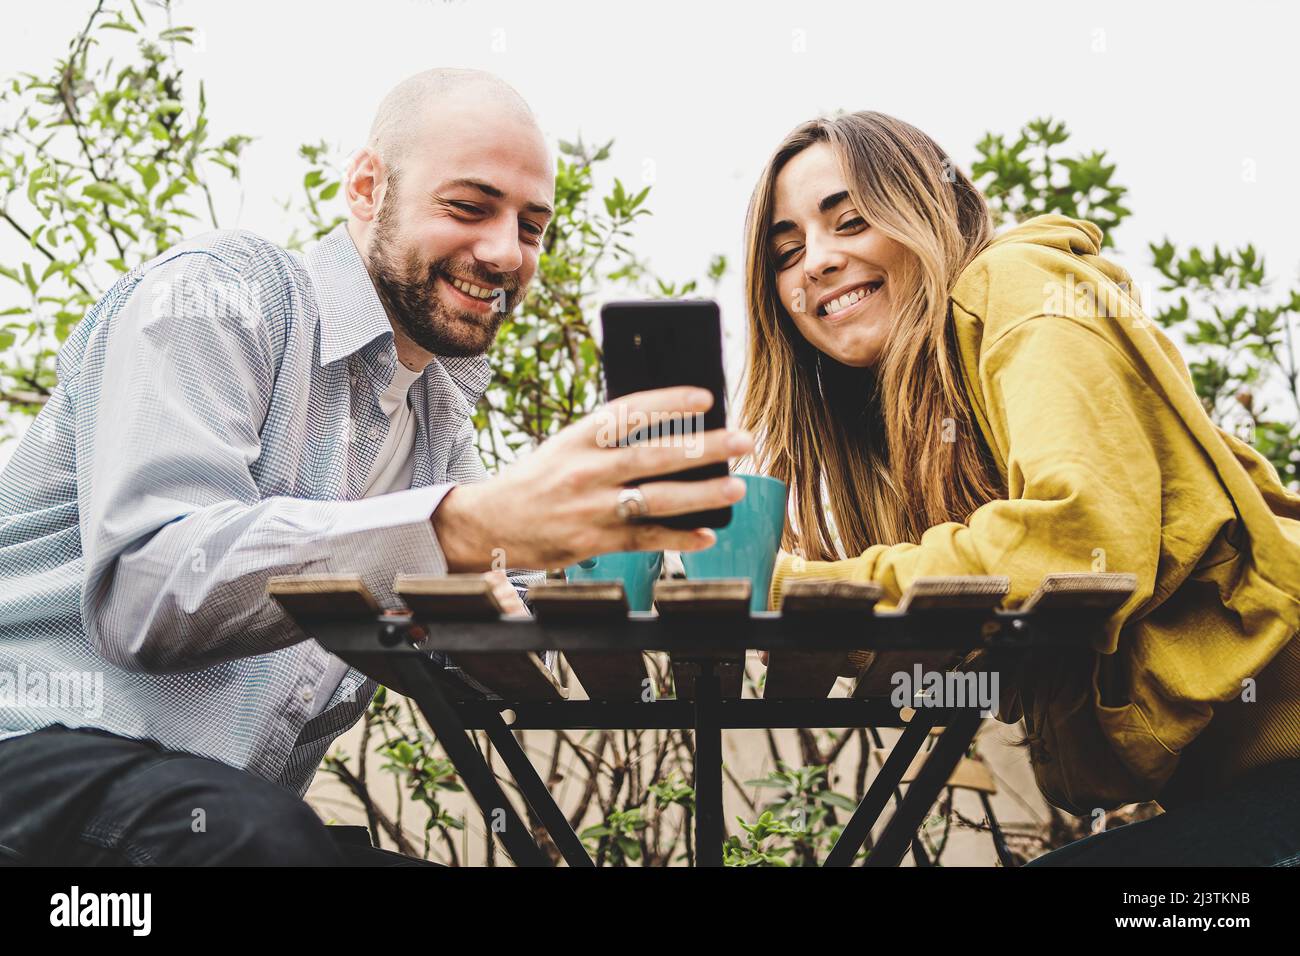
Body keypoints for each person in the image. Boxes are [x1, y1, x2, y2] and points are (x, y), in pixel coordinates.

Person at [0, 68, 752, 866]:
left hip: (221, 821)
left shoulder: (434, 429)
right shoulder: (220, 295)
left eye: (532, 227)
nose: (504, 253)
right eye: (469, 207)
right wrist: (464, 525)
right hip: (33, 761)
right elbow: (145, 590)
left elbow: (468, 621)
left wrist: (597, 565)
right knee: (267, 839)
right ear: (367, 187)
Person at [742, 110, 1300, 865]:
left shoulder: (1014, 282)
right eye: (788, 250)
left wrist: (814, 591)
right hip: (1243, 794)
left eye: (852, 221)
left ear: (925, 212)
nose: (817, 260)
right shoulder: (928, 418)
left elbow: (1078, 539)